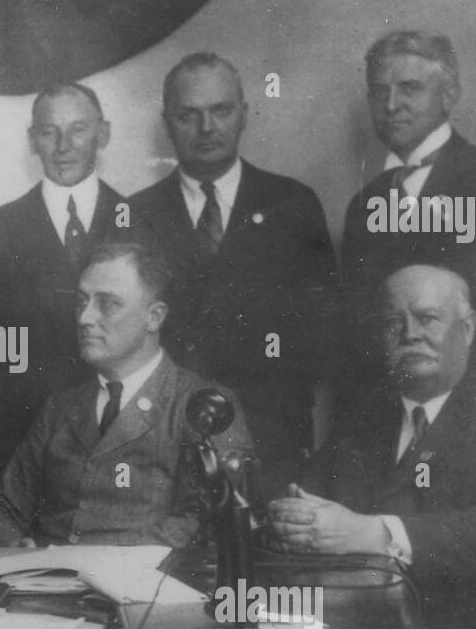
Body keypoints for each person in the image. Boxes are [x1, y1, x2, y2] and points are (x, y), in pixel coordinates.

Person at [268, 264, 476, 628]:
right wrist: (295, 517)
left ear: (468, 328)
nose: (410, 334)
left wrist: (377, 533)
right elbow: (308, 495)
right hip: (353, 622)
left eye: (428, 318)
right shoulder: (366, 415)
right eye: (392, 324)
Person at [127, 53, 338, 480]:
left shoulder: (292, 204)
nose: (207, 129)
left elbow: (323, 332)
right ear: (167, 121)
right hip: (167, 437)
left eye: (220, 111)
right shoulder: (135, 214)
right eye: (188, 115)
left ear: (243, 115)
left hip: (271, 436)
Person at [0, 243, 253, 548]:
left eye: (108, 303)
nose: (84, 318)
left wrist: (96, 563)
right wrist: (14, 550)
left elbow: (211, 519)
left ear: (154, 317)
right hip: (45, 587)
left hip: (149, 588)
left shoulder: (203, 404)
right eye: (81, 302)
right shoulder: (60, 408)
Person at [339, 30, 476, 393]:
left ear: (449, 95)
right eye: (379, 91)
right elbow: (361, 337)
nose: (391, 105)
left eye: (409, 88)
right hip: (389, 419)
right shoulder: (364, 205)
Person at [0, 83, 132, 469]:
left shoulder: (138, 220)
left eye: (78, 129)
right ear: (32, 140)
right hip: (21, 442)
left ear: (102, 134)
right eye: (48, 131)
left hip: (120, 442)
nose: (63, 146)